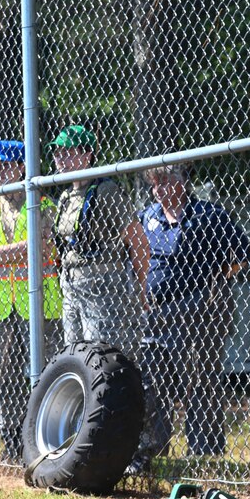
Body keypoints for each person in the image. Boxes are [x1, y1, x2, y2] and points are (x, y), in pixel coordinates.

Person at [134, 164, 250, 465]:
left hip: (199, 312)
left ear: (183, 183)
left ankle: (204, 455)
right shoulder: (148, 217)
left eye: (165, 182)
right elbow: (133, 255)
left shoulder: (209, 215)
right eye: (154, 184)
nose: (158, 190)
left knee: (201, 381)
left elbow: (240, 255)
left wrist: (215, 284)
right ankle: (154, 450)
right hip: (155, 313)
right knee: (153, 382)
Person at [0, 140, 63, 461]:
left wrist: (5, 252)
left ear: (22, 166)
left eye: (5, 165)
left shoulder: (45, 205)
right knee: (1, 377)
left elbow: (46, 249)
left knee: (46, 372)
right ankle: (11, 442)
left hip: (39, 305)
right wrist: (28, 245)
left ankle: (47, 438)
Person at [49, 125, 150, 355]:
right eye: (57, 153)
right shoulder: (66, 196)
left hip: (101, 285)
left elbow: (138, 241)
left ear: (87, 155)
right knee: (73, 355)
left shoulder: (106, 190)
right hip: (71, 285)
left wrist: (141, 288)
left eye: (68, 152)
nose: (60, 159)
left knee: (98, 355)